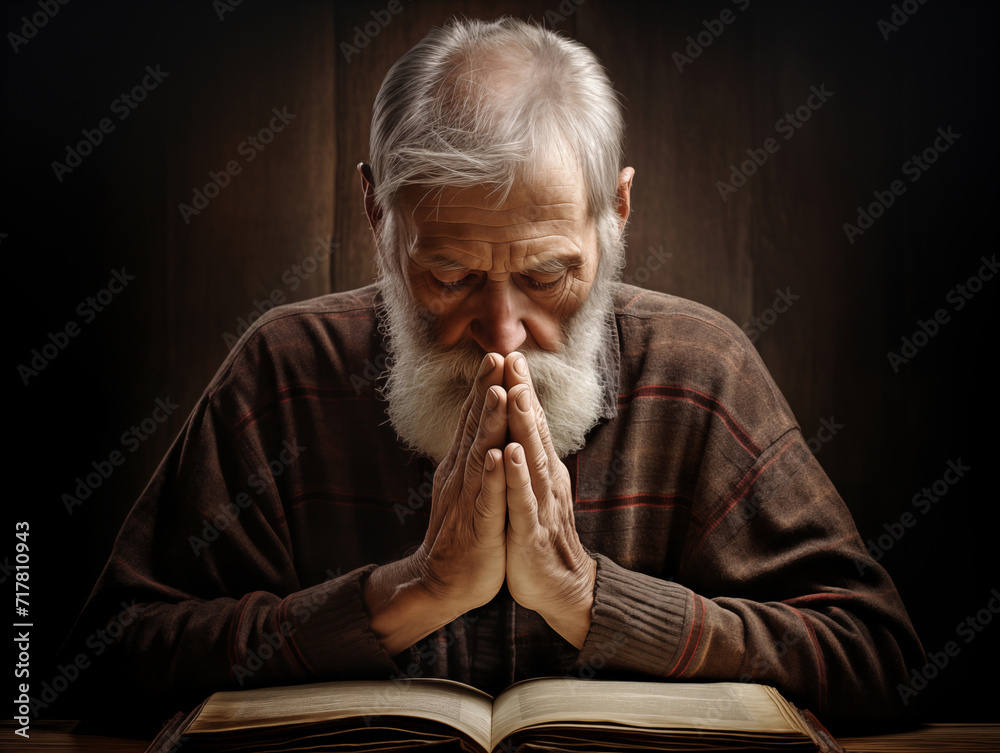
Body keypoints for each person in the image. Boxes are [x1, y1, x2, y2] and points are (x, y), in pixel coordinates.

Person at [72, 17, 922, 728]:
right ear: (376, 211)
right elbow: (84, 673)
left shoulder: (702, 368)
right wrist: (406, 594)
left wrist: (593, 600)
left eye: (549, 274)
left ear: (616, 210)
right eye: (449, 276)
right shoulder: (282, 369)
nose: (503, 336)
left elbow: (881, 658)